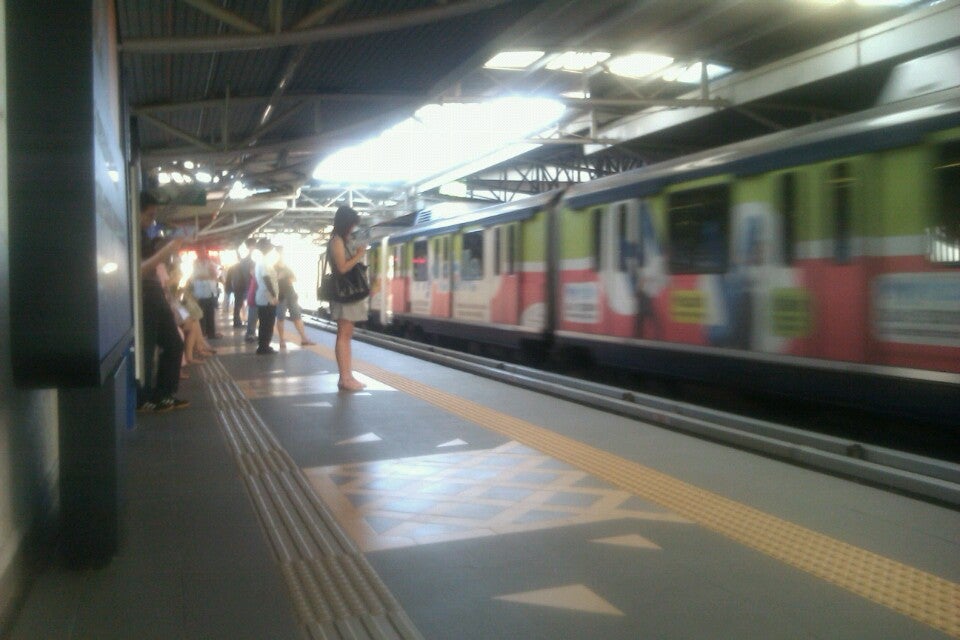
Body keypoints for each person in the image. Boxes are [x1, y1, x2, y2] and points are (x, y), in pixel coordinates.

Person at [138, 191, 189, 412]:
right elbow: (138, 270)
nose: (151, 221)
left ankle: (164, 394)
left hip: (155, 293)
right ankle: (144, 398)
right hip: (144, 296)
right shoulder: (129, 235)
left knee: (174, 343)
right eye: (149, 216)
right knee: (147, 349)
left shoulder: (144, 235)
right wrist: (167, 251)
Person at [328, 205, 369, 391]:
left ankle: (347, 376)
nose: (353, 228)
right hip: (344, 294)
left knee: (345, 335)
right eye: (352, 224)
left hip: (348, 296)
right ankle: (345, 378)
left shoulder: (342, 240)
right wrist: (359, 255)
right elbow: (342, 268)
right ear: (346, 223)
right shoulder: (336, 241)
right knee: (344, 335)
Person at [274, 251, 315, 349]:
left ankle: (304, 339)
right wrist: (281, 277)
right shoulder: (273, 267)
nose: (281, 257)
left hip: (291, 294)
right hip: (280, 295)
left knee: (297, 316)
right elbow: (272, 281)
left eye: (282, 255)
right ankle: (281, 340)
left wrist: (287, 278)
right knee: (280, 317)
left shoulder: (287, 267)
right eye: (280, 255)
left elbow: (294, 279)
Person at [254, 237, 280, 354]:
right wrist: (274, 294)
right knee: (267, 323)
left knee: (265, 323)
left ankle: (264, 346)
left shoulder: (262, 261)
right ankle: (263, 347)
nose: (272, 247)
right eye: (269, 245)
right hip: (267, 297)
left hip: (264, 297)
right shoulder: (264, 262)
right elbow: (266, 278)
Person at [191, 249, 221, 339]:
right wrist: (208, 275)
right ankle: (202, 334)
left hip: (210, 291)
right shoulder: (195, 263)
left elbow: (215, 275)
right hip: (200, 293)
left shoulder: (210, 263)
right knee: (201, 314)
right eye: (201, 252)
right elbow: (197, 275)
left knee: (210, 313)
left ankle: (211, 333)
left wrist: (210, 273)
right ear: (197, 253)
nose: (203, 254)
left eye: (204, 252)